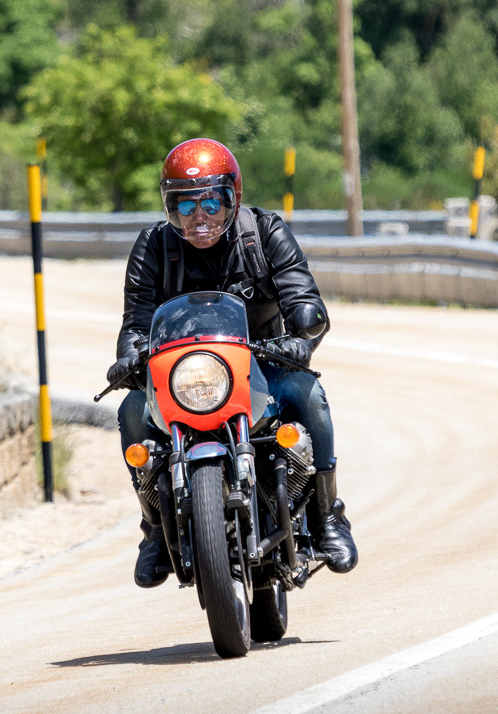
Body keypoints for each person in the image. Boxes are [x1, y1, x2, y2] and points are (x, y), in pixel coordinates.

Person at [108, 137, 359, 588]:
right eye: (185, 205)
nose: (199, 217)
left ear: (232, 198)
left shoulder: (264, 233)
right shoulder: (153, 247)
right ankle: (153, 530)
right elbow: (136, 322)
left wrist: (303, 338)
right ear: (170, 207)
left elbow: (307, 303)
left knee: (310, 395)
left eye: (211, 202)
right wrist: (128, 358)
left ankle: (327, 519)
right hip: (181, 374)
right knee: (131, 413)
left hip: (264, 363)